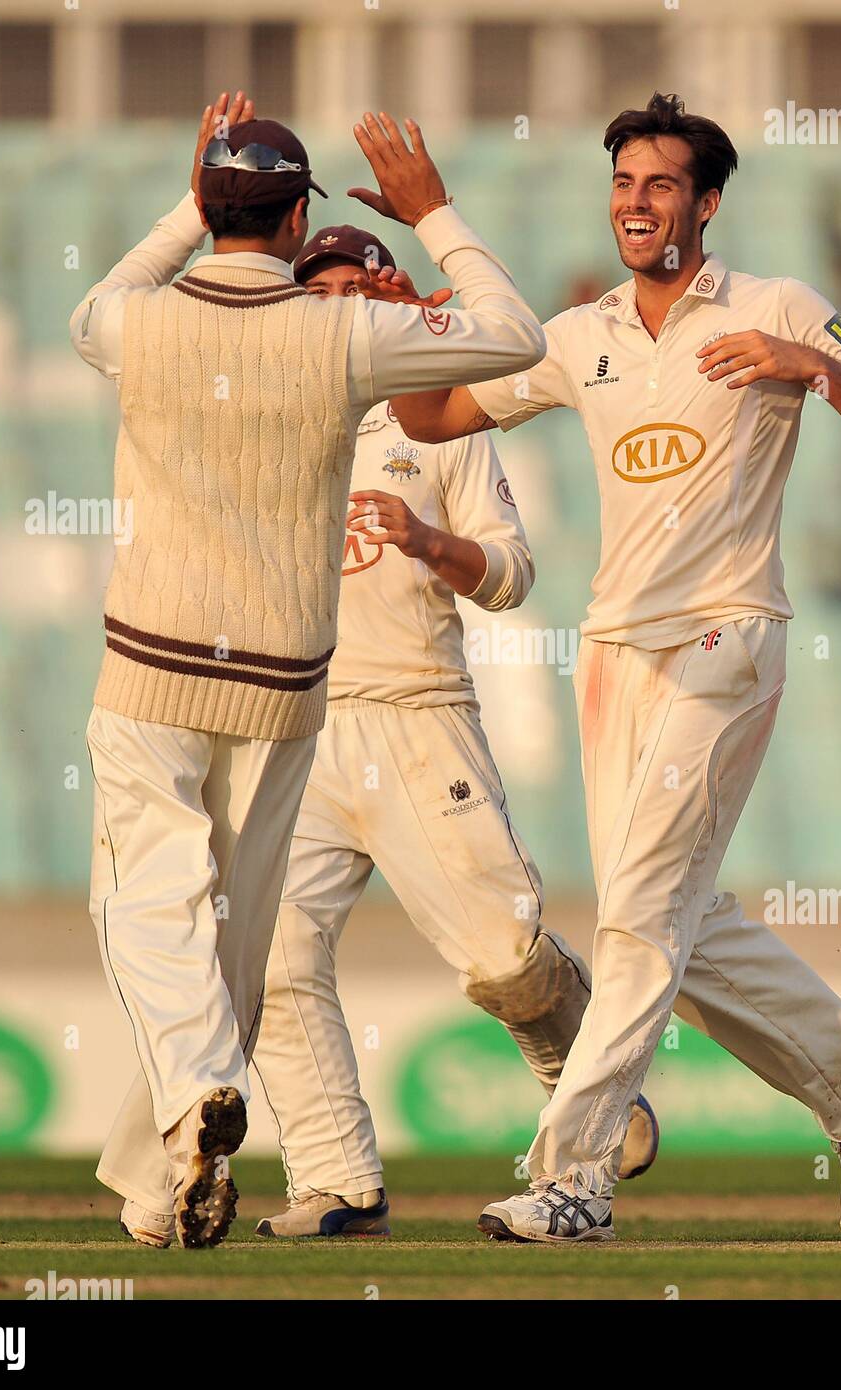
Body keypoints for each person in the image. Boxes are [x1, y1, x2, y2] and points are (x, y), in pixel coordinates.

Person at [391, 93, 841, 1244]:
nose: (634, 205)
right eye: (622, 185)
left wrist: (810, 365)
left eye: (658, 186)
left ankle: (571, 1177)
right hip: (613, 651)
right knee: (673, 920)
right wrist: (411, 322)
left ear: (706, 202)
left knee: (641, 912)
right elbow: (434, 414)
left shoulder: (777, 307)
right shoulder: (578, 334)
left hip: (729, 633)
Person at [97, 226, 657, 1246]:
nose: (345, 303)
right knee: (272, 963)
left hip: (417, 713)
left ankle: (582, 1084)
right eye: (327, 289)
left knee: (501, 960)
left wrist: (429, 541)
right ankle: (337, 1181)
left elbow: (513, 571)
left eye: (363, 288)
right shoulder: (272, 411)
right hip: (297, 720)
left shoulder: (431, 422)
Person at [70, 92, 546, 1249]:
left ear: (215, 207)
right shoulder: (348, 335)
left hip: (154, 668)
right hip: (289, 686)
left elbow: (93, 308)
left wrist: (193, 203)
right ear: (293, 226)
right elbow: (516, 333)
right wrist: (434, 213)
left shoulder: (136, 324)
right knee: (244, 941)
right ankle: (162, 1182)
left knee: (145, 902)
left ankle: (193, 1099)